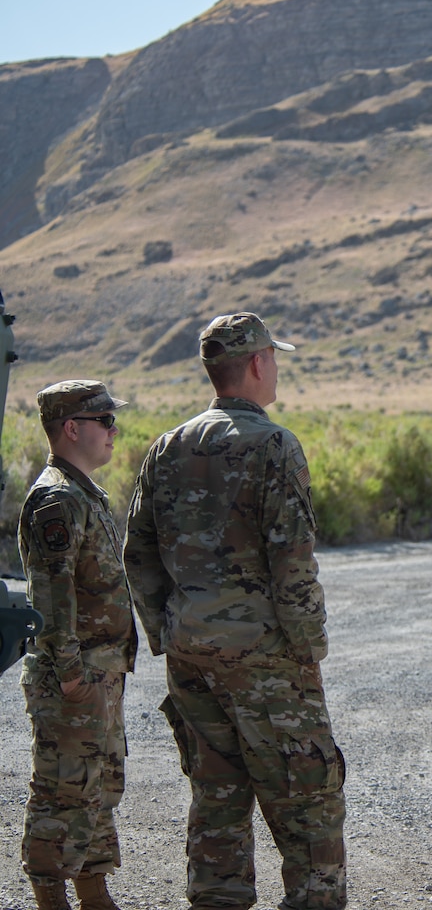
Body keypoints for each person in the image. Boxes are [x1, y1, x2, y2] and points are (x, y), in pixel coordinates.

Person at [123, 312, 346, 910]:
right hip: (267, 659)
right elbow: (293, 562)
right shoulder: (274, 445)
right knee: (308, 807)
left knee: (217, 800)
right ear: (256, 363)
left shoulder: (167, 446)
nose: (275, 369)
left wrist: (166, 631)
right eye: (273, 357)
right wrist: (308, 652)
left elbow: (137, 551)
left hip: (192, 655)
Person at [18, 380, 137, 910]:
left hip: (98, 671)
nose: (114, 431)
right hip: (75, 675)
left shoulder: (83, 491)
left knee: (96, 787)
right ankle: (51, 898)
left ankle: (94, 894)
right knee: (61, 789)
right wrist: (69, 674)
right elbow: (52, 594)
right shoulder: (57, 499)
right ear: (72, 428)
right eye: (105, 421)